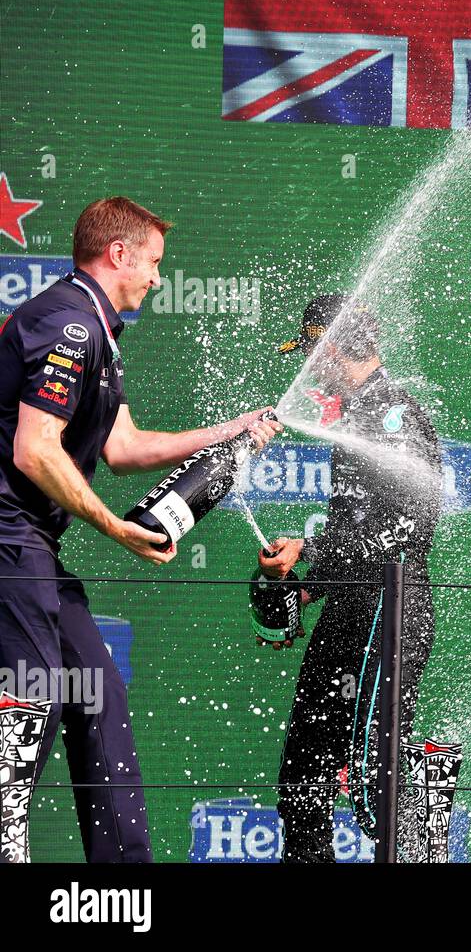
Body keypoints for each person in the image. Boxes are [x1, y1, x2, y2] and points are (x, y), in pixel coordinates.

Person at [0, 196, 280, 863]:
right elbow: (33, 449)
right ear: (118, 254)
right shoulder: (69, 324)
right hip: (8, 538)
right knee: (33, 688)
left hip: (29, 541)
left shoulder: (97, 328)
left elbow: (122, 446)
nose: (157, 277)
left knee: (96, 684)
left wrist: (230, 432)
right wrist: (115, 531)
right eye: (153, 262)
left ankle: (125, 878)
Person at [259, 294, 442, 862]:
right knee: (303, 778)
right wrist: (308, 586)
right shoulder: (356, 416)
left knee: (375, 787)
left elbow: (408, 533)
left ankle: (422, 848)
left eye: (310, 353)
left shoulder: (395, 414)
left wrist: (309, 545)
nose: (307, 367)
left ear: (330, 347)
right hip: (349, 613)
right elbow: (361, 537)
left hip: (388, 618)